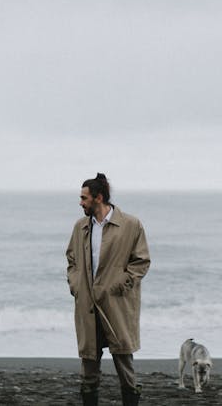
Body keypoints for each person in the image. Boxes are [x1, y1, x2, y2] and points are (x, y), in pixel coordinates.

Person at [66, 173, 151, 406]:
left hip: (117, 305)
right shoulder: (80, 226)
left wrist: (119, 286)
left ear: (98, 198)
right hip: (88, 305)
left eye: (84, 198)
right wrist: (76, 286)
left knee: (124, 363)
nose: (80, 202)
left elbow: (141, 262)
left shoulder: (130, 225)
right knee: (89, 365)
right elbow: (72, 260)